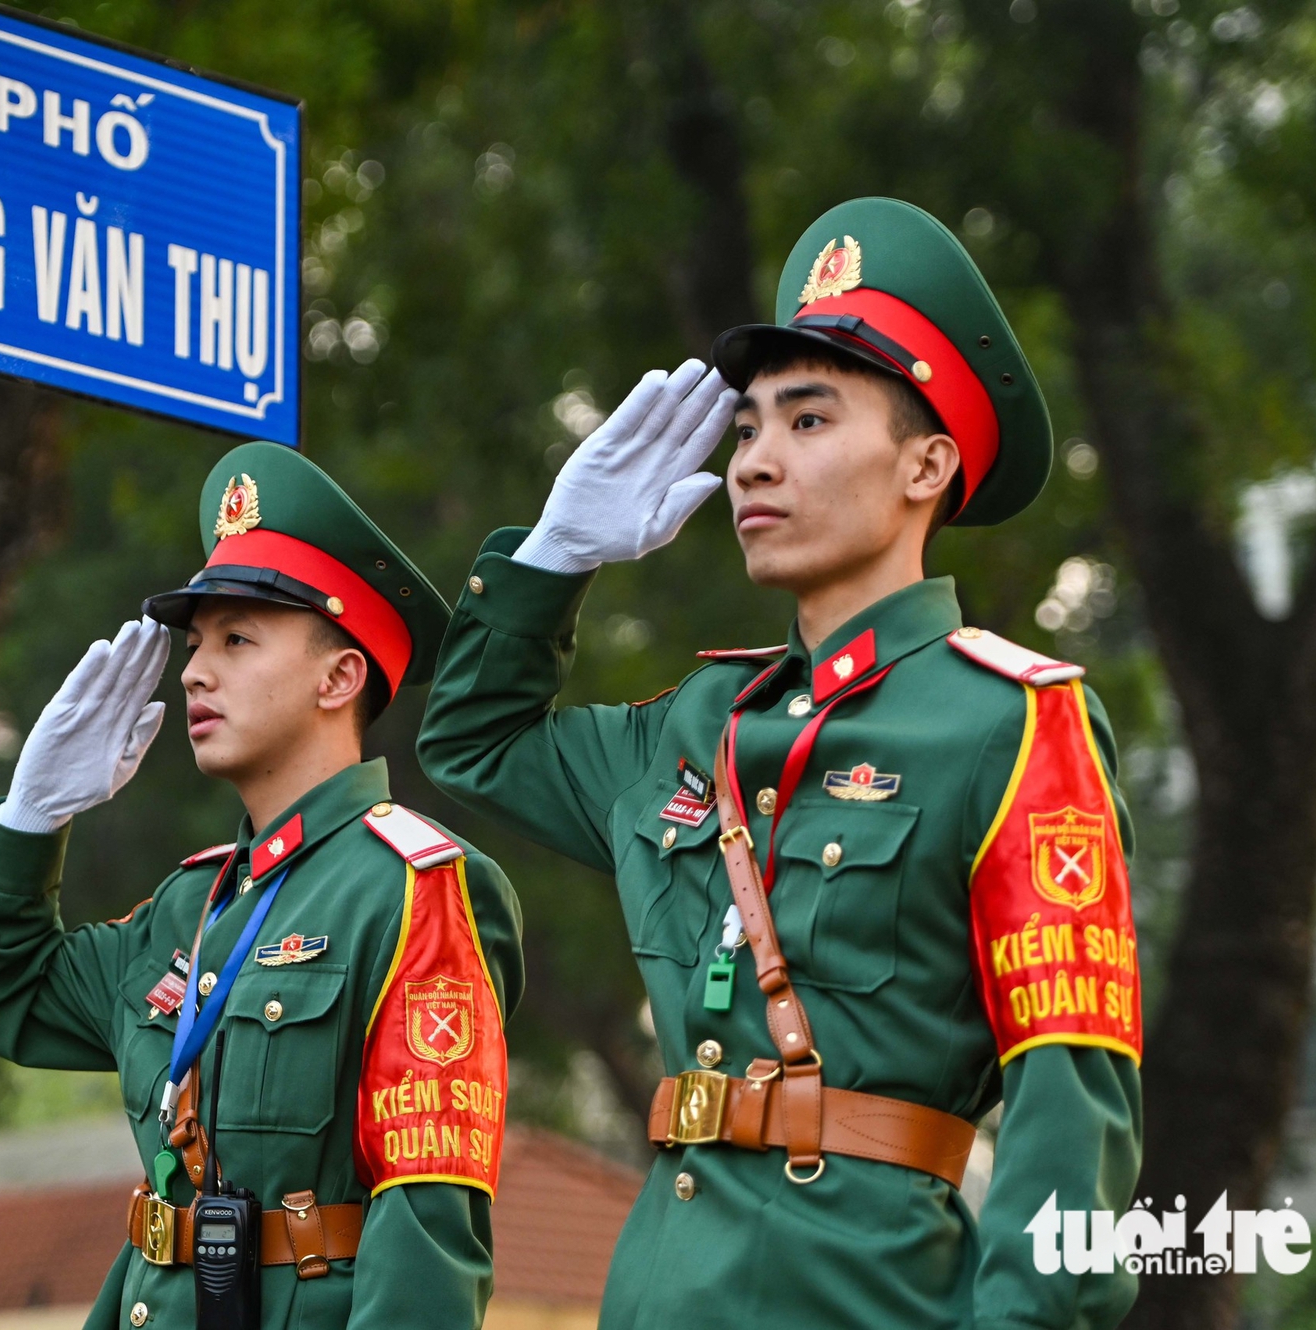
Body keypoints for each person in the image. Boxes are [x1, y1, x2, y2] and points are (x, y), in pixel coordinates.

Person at [417, 197, 1142, 1328]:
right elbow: (474, 740)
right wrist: (552, 558)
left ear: (926, 464)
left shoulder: (1010, 723)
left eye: (807, 421)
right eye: (747, 429)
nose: (754, 462)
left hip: (863, 1293)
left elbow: (1070, 1104)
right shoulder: (698, 720)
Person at [0, 441, 524, 1330]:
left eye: (238, 640)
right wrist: (30, 817)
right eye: (195, 645)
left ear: (340, 676)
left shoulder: (413, 889)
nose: (194, 672)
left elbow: (426, 1232)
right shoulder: (191, 906)